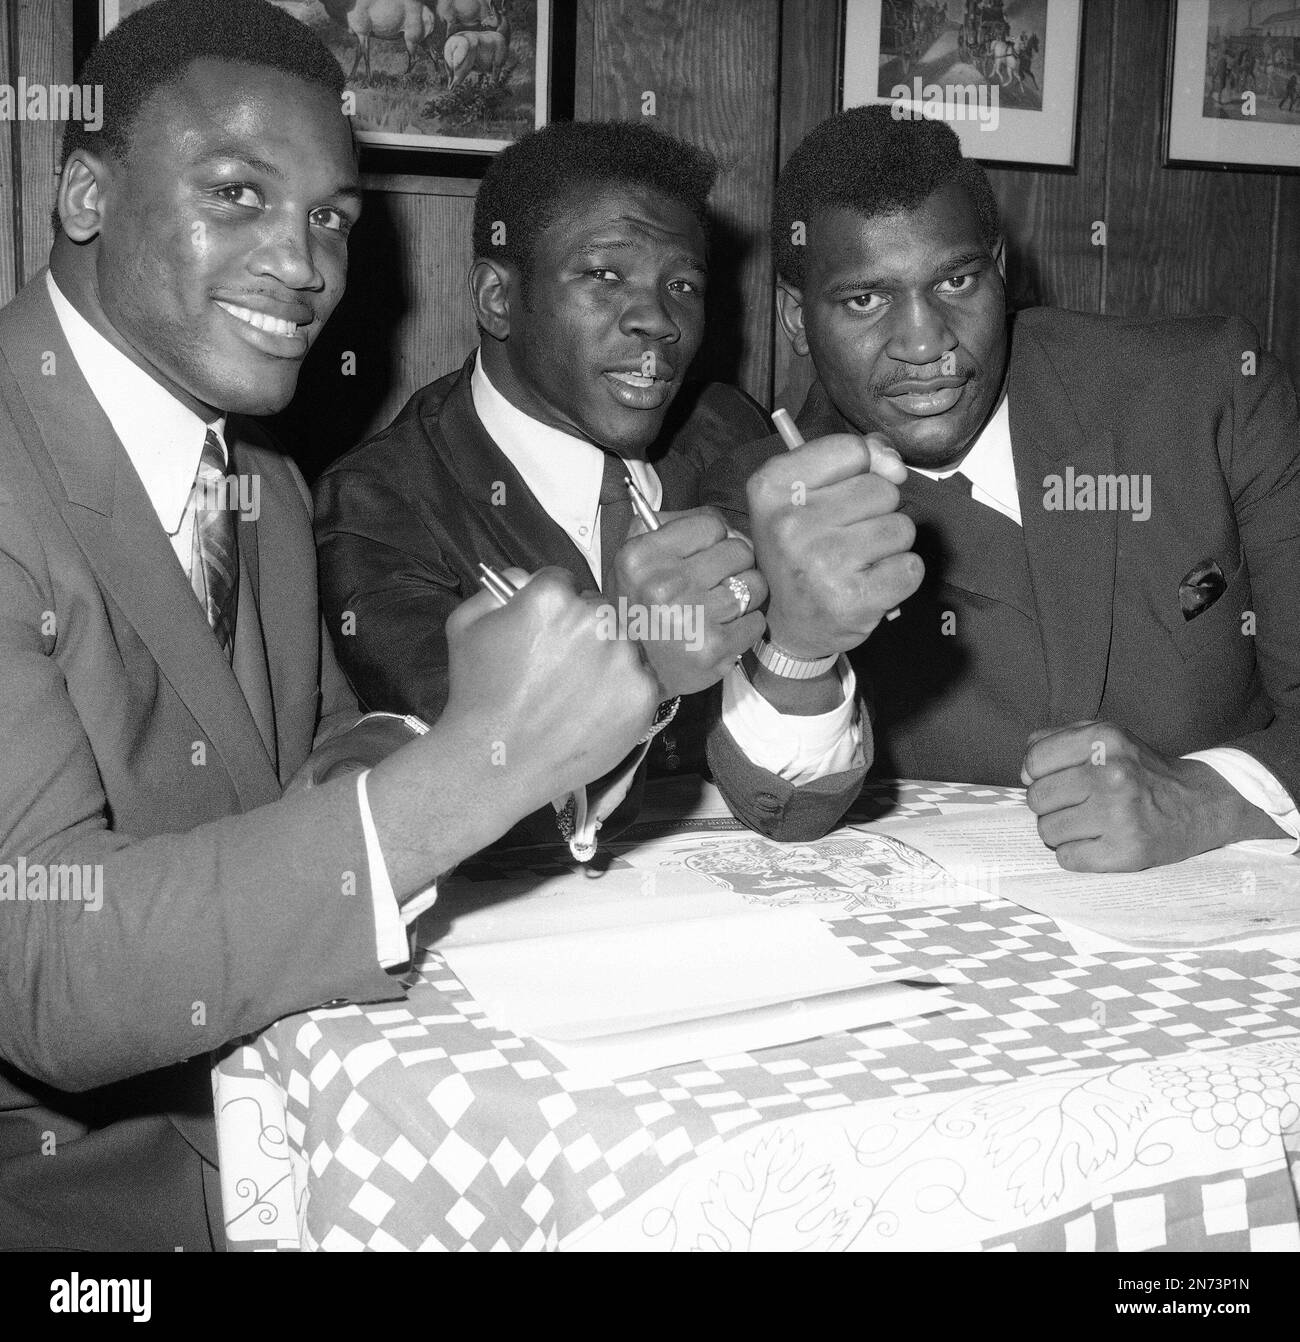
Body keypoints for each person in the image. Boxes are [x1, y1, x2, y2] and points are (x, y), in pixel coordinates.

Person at [0, 0, 659, 1251]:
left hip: (259, 1106)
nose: (306, 267)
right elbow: (34, 964)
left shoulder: (263, 484)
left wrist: (391, 752)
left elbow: (315, 755)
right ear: (87, 193)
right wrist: (470, 771)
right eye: (239, 193)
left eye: (331, 221)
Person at [704, 106, 1300, 874]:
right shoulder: (761, 498)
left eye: (955, 280)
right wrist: (797, 652)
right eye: (865, 300)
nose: (926, 344)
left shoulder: (1210, 389)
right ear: (795, 316)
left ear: (1000, 270)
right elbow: (784, 808)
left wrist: (1207, 799)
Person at [315, 120, 921, 851]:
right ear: (498, 298)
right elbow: (469, 785)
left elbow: (790, 808)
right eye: (604, 275)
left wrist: (803, 650)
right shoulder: (373, 505)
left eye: (682, 285)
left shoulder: (728, 428)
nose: (658, 321)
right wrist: (644, 660)